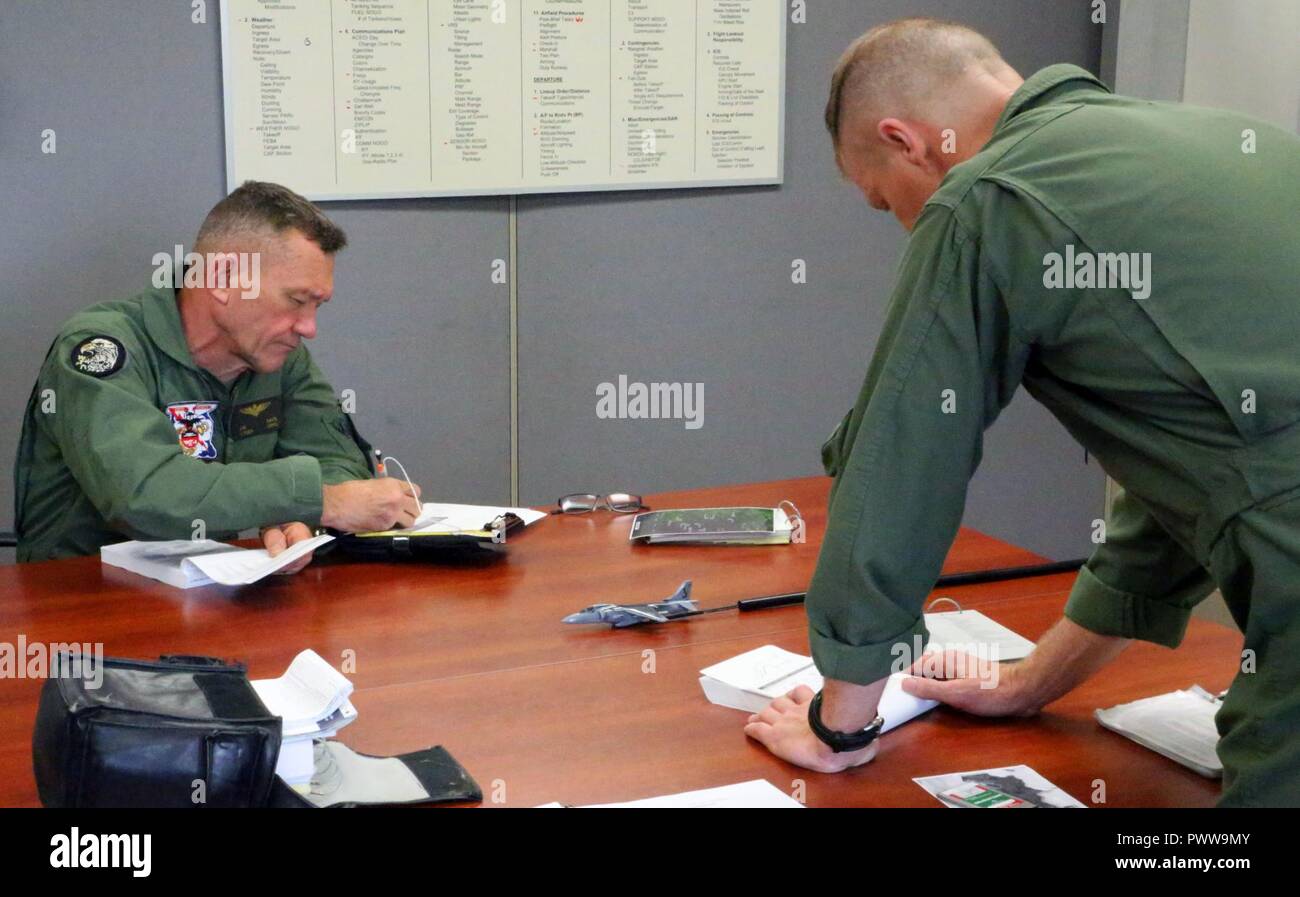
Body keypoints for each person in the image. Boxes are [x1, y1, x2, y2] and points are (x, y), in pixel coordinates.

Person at [742, 18, 1300, 807]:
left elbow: (900, 466)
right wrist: (1029, 683)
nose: (901, 222)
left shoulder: (985, 199)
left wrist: (839, 728)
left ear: (906, 141)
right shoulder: (1225, 138)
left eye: (882, 202)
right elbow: (1208, 472)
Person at [15, 181, 422, 568]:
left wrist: (299, 521)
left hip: (214, 592)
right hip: (83, 604)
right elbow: (145, 496)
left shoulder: (277, 354)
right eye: (297, 300)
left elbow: (336, 462)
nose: (308, 327)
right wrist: (320, 500)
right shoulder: (102, 347)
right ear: (225, 279)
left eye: (318, 306)